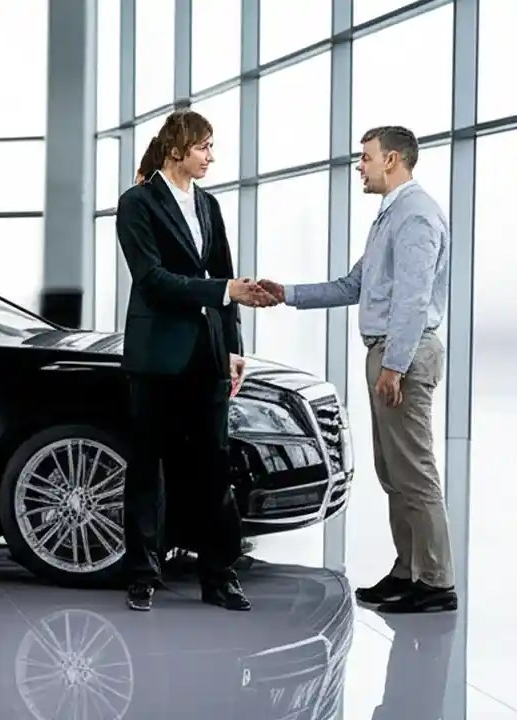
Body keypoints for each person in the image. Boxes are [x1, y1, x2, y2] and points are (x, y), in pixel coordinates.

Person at [257, 125, 455, 614]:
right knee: (394, 471)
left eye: (365, 158)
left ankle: (435, 582)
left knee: (414, 471)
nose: (359, 167)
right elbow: (353, 285)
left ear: (392, 160)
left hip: (402, 353)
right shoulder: (390, 217)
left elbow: (412, 299)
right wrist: (288, 294)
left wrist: (394, 366)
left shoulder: (415, 216)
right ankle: (408, 571)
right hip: (389, 351)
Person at [115, 110, 278, 612]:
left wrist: (232, 347)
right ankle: (143, 573)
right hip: (157, 355)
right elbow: (152, 279)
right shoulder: (136, 203)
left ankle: (219, 575)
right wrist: (223, 289)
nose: (211, 156)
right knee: (147, 467)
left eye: (211, 147)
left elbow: (225, 276)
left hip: (206, 353)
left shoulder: (208, 205)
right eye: (204, 146)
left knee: (212, 467)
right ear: (176, 148)